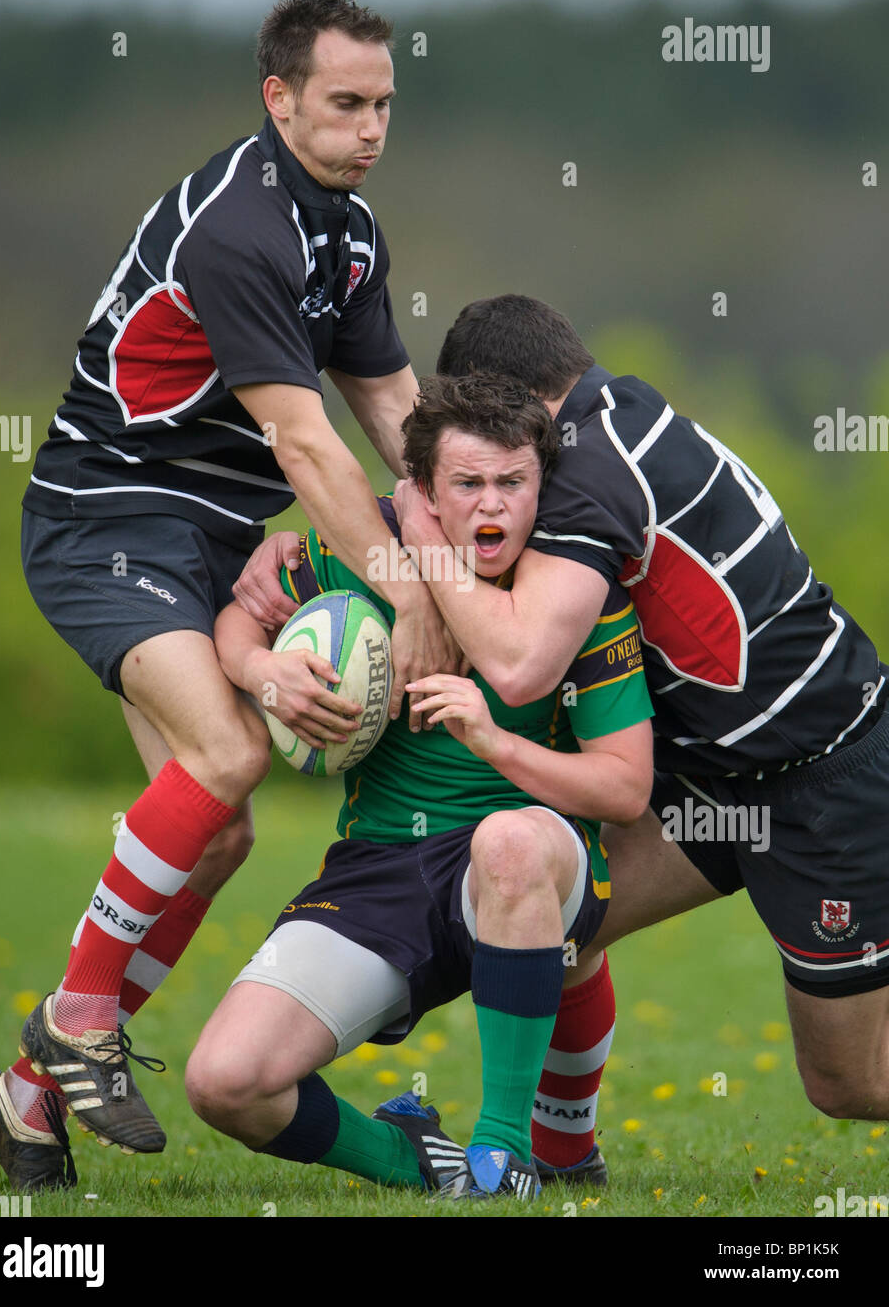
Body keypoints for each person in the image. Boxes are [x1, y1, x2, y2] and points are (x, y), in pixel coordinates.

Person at [0, 0, 453, 1194]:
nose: (370, 126)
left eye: (384, 102)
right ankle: (80, 1023)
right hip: (106, 520)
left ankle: (24, 1097)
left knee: (217, 829)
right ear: (278, 97)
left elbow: (391, 411)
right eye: (344, 103)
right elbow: (307, 447)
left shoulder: (347, 230)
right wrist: (414, 593)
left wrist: (461, 529)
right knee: (230, 754)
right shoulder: (242, 229)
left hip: (206, 539)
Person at [387, 295, 889, 1163]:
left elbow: (518, 665)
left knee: (853, 1085)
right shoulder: (622, 408)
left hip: (827, 776)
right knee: (556, 911)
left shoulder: (588, 474)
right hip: (708, 774)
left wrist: (422, 533)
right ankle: (560, 1152)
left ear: (511, 404)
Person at [184, 372, 653, 1199]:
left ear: (543, 483)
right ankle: (417, 1162)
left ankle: (503, 1156)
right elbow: (237, 618)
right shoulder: (352, 549)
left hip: (526, 864)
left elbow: (622, 791)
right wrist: (263, 671)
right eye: (466, 485)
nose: (492, 508)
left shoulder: (572, 591)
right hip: (379, 868)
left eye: (514, 483)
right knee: (224, 1081)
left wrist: (493, 740)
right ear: (420, 493)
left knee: (506, 839)